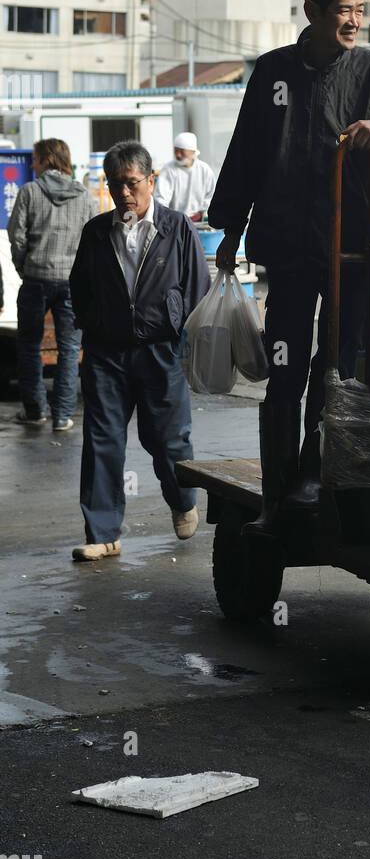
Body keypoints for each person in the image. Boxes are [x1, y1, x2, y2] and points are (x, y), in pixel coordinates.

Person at [208, 0, 370, 518]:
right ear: (313, 11)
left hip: (354, 254)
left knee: (338, 367)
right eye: (345, 10)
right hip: (290, 252)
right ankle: (277, 488)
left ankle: (316, 479)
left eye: (362, 11)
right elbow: (247, 155)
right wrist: (230, 233)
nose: (355, 21)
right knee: (285, 369)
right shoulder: (271, 73)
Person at [68, 141, 211, 561]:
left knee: (168, 441)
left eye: (132, 184)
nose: (125, 194)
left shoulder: (177, 227)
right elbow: (80, 287)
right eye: (116, 186)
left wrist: (184, 341)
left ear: (152, 180)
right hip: (107, 354)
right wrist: (93, 326)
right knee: (102, 441)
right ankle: (103, 533)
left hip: (160, 350)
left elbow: (196, 288)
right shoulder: (96, 232)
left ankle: (183, 500)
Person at [7, 138, 98, 431]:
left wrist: (24, 266)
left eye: (35, 158)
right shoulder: (85, 197)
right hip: (71, 282)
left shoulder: (30, 192)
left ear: (47, 159)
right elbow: (95, 241)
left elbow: (17, 235)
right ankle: (62, 416)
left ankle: (35, 411)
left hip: (35, 278)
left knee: (30, 346)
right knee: (70, 349)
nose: (32, 164)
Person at [153, 132, 216, 222]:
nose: (178, 155)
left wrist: (201, 213)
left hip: (199, 220)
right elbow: (161, 198)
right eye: (176, 150)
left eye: (182, 152)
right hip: (173, 220)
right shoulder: (168, 169)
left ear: (193, 152)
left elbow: (211, 196)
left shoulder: (204, 170)